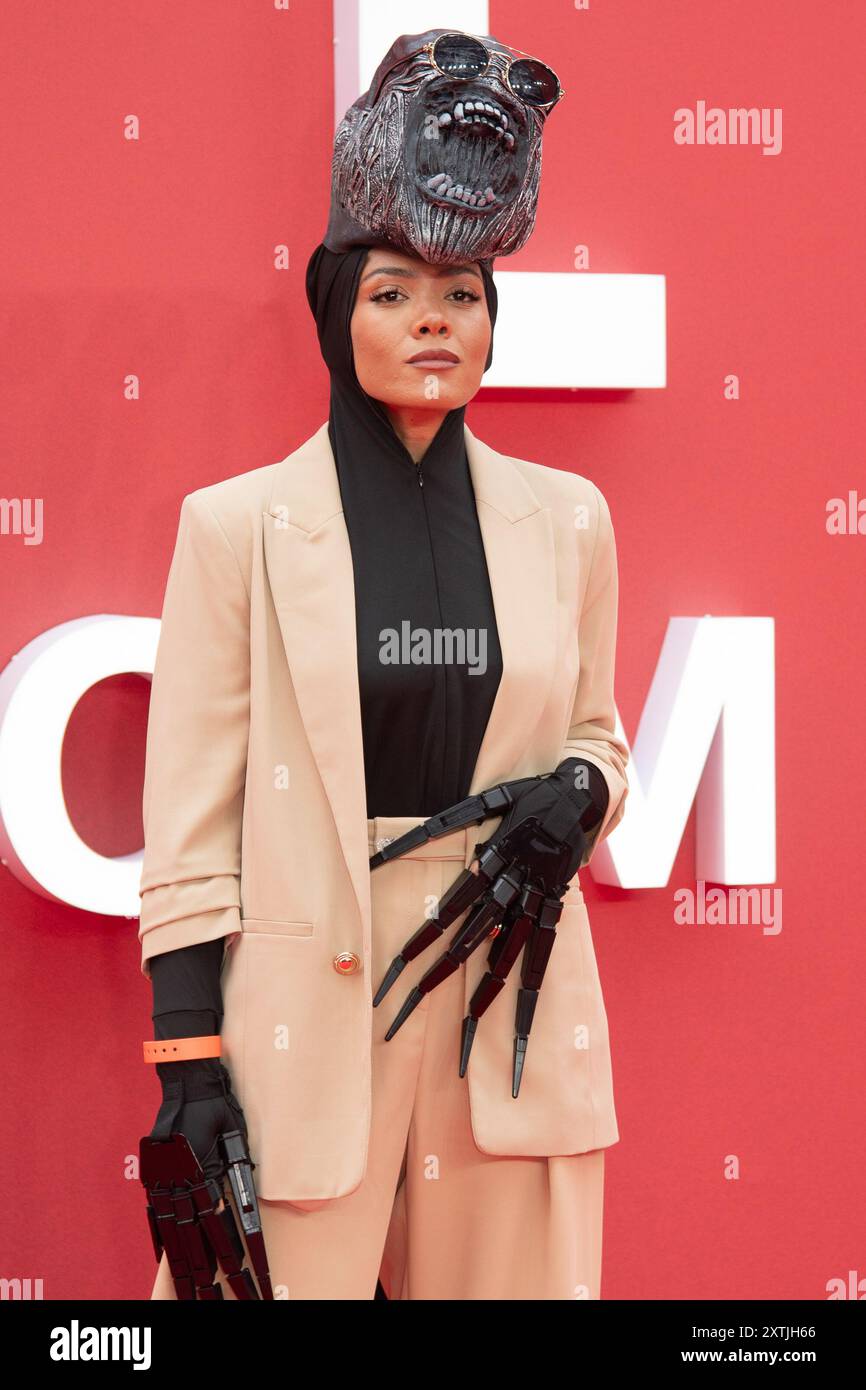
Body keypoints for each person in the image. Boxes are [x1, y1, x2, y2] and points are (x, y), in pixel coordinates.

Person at [139, 28, 629, 1300]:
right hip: (307, 1025)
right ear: (331, 310)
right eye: (393, 292)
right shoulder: (236, 526)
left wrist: (580, 793)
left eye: (461, 295)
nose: (431, 322)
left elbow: (596, 731)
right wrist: (187, 1065)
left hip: (505, 1001)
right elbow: (190, 827)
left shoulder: (568, 517)